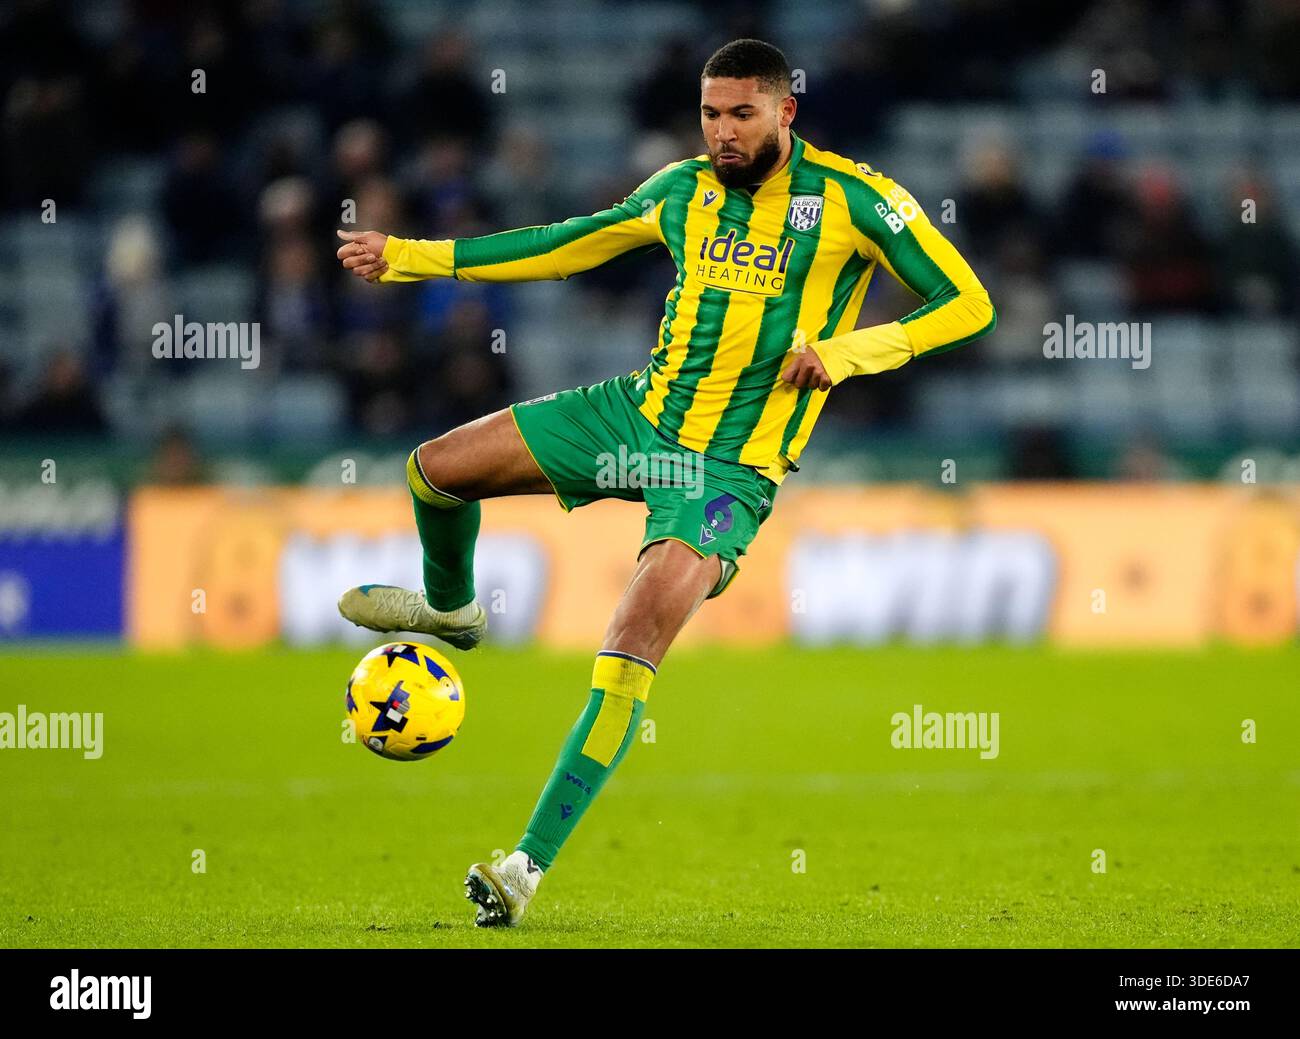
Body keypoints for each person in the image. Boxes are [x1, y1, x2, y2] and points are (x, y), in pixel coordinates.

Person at [333, 38, 995, 927]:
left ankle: (523, 866)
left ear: (785, 113)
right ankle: (450, 610)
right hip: (636, 420)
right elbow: (565, 245)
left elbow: (967, 303)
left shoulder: (855, 201)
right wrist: (410, 255)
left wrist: (846, 353)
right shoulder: (678, 191)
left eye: (741, 115)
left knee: (631, 637)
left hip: (726, 471)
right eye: (710, 115)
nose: (722, 133)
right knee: (434, 470)